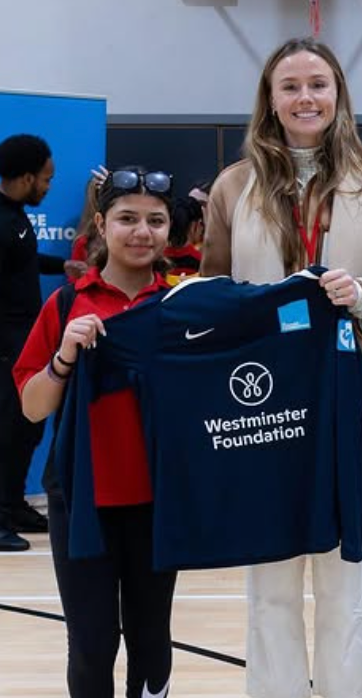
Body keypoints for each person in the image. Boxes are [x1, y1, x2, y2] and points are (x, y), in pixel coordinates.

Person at [200, 36, 362, 698]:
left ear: (338, 95)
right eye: (290, 86)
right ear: (270, 99)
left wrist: (361, 295)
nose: (305, 97)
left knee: (345, 586)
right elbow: (210, 294)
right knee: (268, 590)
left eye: (318, 84)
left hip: (343, 405)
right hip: (260, 406)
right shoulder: (233, 186)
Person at [14, 166, 177, 698]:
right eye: (128, 219)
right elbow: (33, 407)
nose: (142, 232)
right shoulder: (65, 304)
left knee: (152, 638)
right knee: (91, 641)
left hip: (159, 502)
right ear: (101, 225)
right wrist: (64, 356)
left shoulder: (181, 308)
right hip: (82, 501)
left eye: (156, 220)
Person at [0, 134, 81, 551]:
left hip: (23, 338)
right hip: (5, 342)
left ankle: (13, 505)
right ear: (28, 176)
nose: (48, 187)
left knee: (25, 428)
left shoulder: (14, 217)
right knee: (6, 429)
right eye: (46, 180)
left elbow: (22, 262)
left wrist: (62, 263)